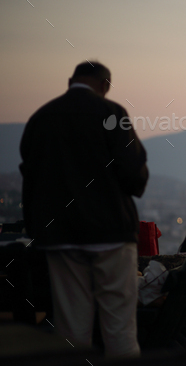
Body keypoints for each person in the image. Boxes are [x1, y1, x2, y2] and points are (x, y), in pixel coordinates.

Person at [19, 61, 148, 358]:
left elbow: (30, 173)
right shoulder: (111, 113)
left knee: (71, 329)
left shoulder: (42, 117)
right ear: (105, 85)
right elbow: (132, 171)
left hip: (60, 234)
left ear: (70, 81)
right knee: (120, 327)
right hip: (111, 232)